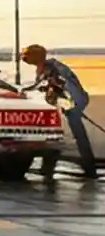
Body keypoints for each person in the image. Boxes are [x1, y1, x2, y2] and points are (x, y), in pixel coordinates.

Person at [21, 44, 97, 179]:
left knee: (78, 136)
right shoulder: (45, 68)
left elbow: (68, 86)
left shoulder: (53, 69)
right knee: (54, 135)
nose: (24, 59)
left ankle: (89, 169)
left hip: (71, 103)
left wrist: (72, 105)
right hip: (63, 104)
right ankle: (48, 167)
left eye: (26, 56)